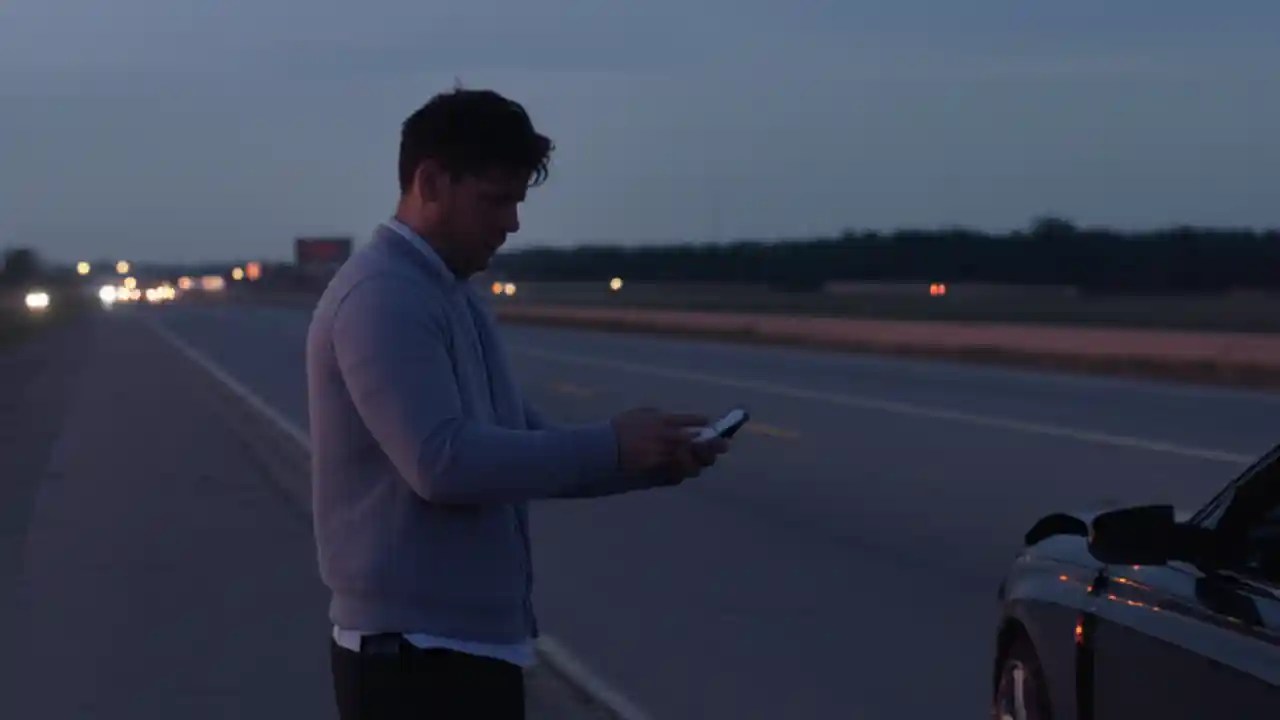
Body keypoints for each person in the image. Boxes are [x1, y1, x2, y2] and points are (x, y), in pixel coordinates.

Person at [305, 87, 730, 720]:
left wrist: (645, 461)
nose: (512, 223)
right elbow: (442, 463)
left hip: (462, 651)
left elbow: (520, 444)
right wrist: (614, 443)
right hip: (416, 660)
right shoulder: (383, 296)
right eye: (495, 200)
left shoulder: (450, 294)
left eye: (517, 201)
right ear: (429, 182)